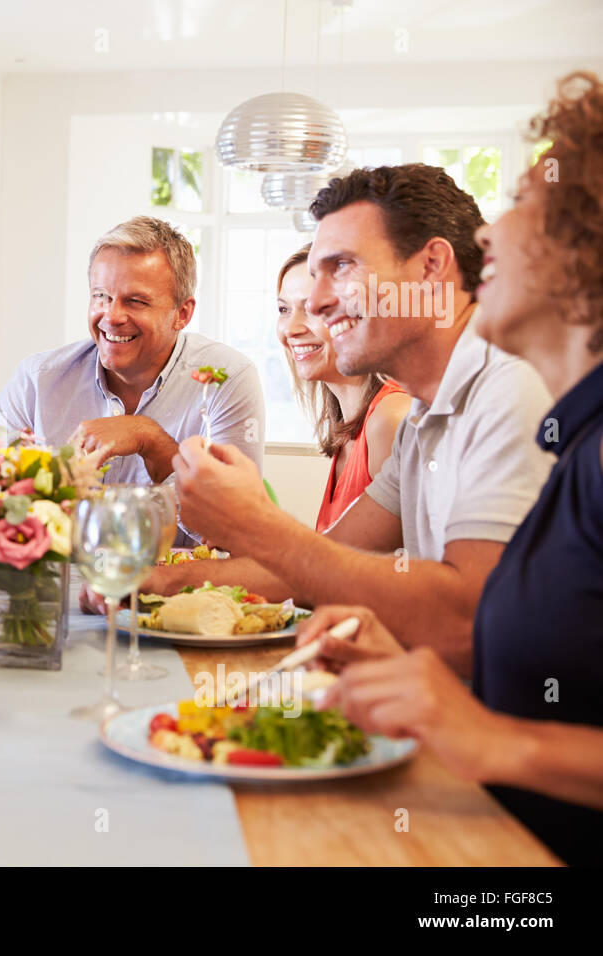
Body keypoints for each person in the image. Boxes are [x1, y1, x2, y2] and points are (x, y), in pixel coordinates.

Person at [296, 71, 603, 865]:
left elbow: (471, 631)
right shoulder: (574, 440)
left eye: (527, 198)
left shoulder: (551, 422)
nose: (489, 234)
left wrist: (494, 739)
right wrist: (406, 666)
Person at [145, 163, 556, 674]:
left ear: (431, 268)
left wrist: (252, 521)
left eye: (341, 266)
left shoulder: (509, 389)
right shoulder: (425, 415)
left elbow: (465, 618)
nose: (316, 302)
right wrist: (161, 584)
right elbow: (321, 562)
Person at [0, 216, 265, 499]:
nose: (111, 317)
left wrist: (150, 439)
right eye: (101, 296)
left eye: (136, 301)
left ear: (182, 314)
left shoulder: (227, 379)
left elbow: (236, 520)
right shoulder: (35, 380)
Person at [275, 243, 410, 532]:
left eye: (313, 309)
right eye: (283, 309)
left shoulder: (390, 419)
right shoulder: (349, 427)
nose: (291, 328)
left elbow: (390, 569)